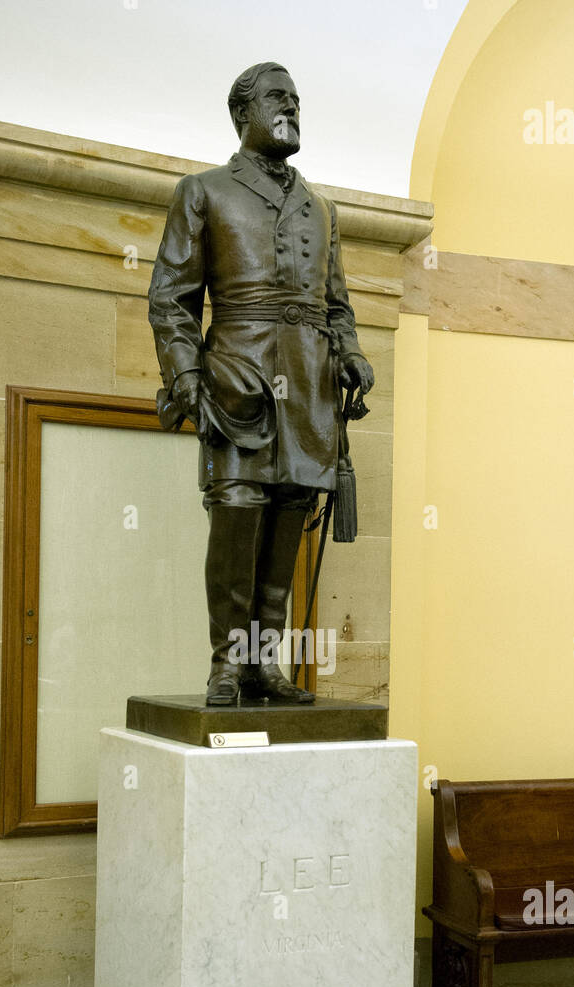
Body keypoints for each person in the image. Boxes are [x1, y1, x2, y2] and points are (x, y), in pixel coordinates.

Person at [149, 61, 374, 705]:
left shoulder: (322, 210)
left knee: (286, 522)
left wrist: (351, 351)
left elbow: (337, 304)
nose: (291, 108)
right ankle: (226, 663)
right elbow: (171, 296)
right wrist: (187, 375)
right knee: (238, 516)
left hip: (308, 388)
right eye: (278, 97)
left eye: (297, 100)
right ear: (242, 114)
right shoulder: (204, 191)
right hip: (237, 378)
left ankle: (264, 663)